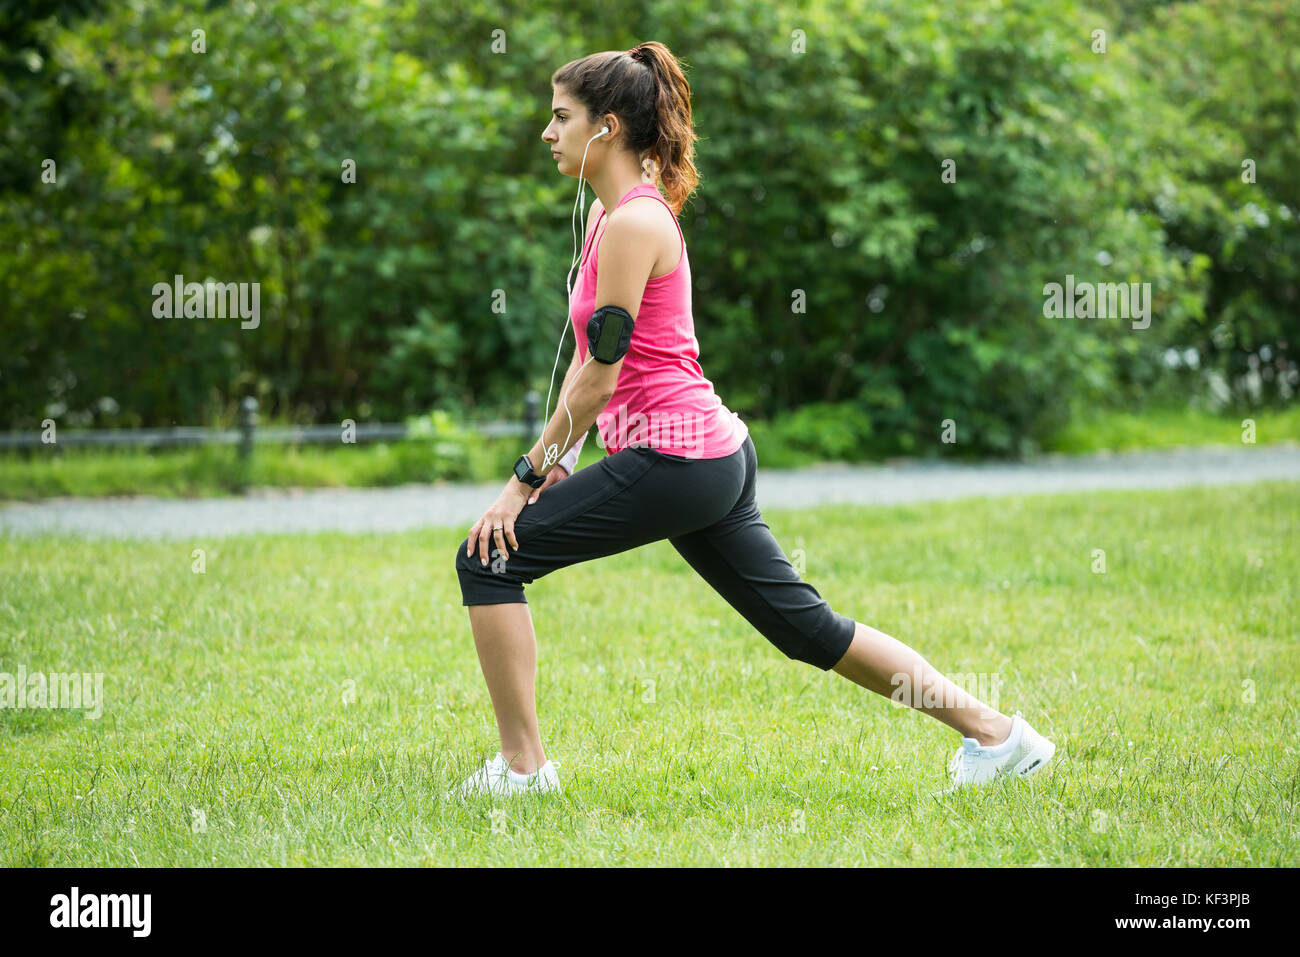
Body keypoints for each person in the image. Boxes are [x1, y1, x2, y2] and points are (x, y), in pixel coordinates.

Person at [450, 42, 1055, 799]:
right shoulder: (615, 218)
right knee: (810, 631)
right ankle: (1000, 736)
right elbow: (591, 368)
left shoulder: (637, 223)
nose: (547, 132)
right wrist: (562, 455)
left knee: (490, 560)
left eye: (560, 117)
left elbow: (603, 374)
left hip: (679, 462)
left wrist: (522, 480)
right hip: (706, 457)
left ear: (606, 128)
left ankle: (522, 770)